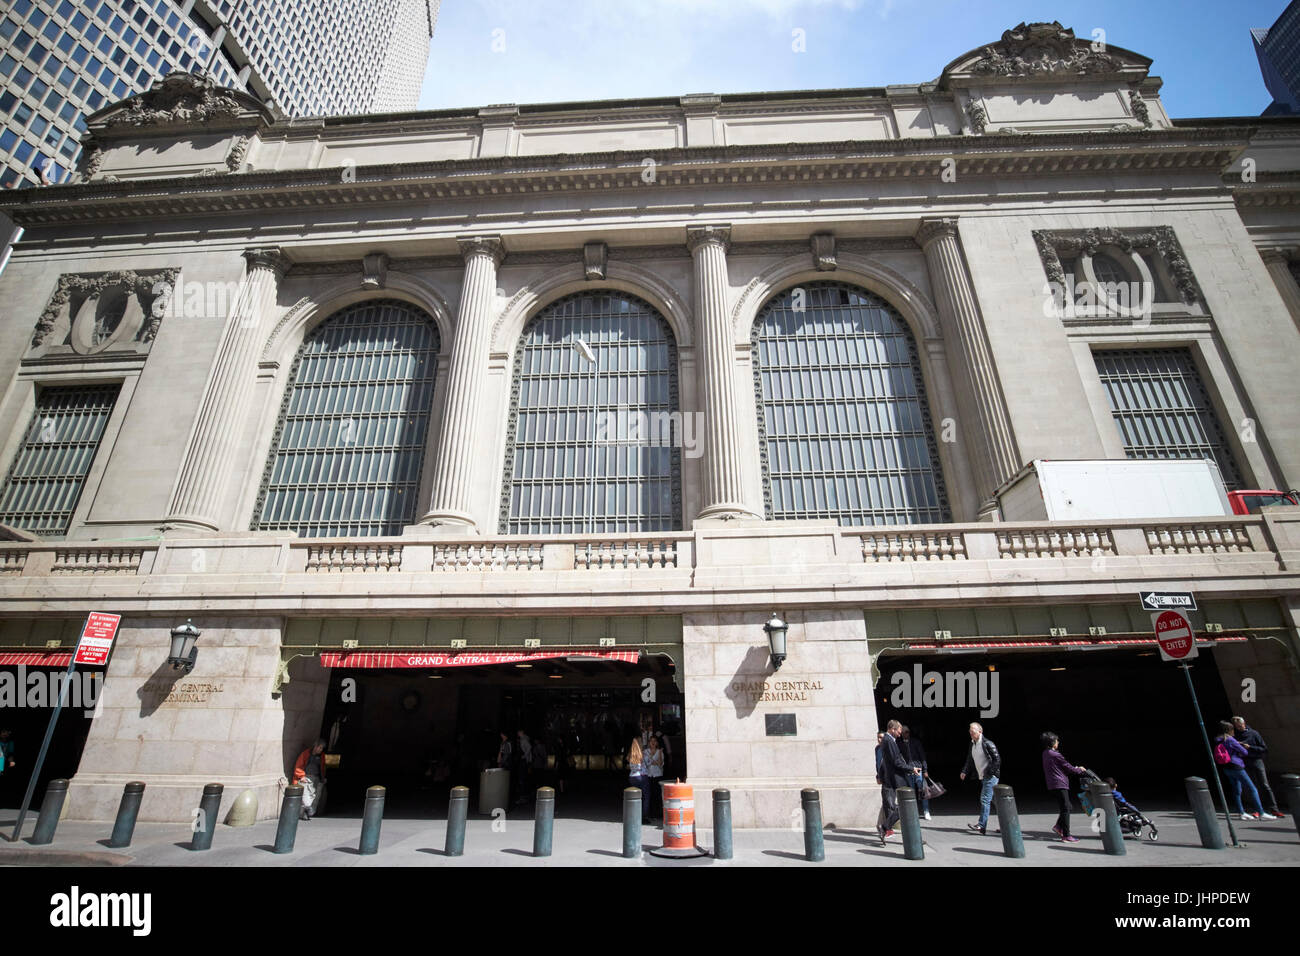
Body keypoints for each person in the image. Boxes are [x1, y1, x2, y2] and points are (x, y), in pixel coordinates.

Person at [1214, 721, 1276, 821]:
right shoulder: (1230, 740)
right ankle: (1261, 812)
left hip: (1226, 767)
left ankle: (1241, 812)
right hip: (1237, 766)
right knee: (1252, 789)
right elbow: (1244, 752)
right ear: (1230, 730)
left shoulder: (1218, 740)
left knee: (1237, 790)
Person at [876, 720, 921, 846]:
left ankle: (888, 828)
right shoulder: (888, 741)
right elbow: (896, 762)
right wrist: (911, 768)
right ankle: (886, 827)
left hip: (893, 778)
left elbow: (886, 761)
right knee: (906, 805)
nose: (900, 734)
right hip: (895, 778)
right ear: (892, 729)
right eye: (899, 731)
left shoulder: (889, 741)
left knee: (905, 806)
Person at [1233, 717, 1284, 818]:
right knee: (1252, 786)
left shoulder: (1254, 733)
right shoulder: (1235, 736)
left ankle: (1274, 809)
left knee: (1265, 785)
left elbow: (1263, 748)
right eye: (1237, 726)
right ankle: (1257, 809)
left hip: (1256, 761)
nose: (1239, 728)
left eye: (1240, 725)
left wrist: (1250, 747)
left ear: (1244, 724)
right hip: (1245, 762)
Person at [1041, 732, 1086, 843]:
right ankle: (1066, 835)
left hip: (1052, 784)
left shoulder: (1045, 753)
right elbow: (1069, 768)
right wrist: (1079, 769)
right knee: (1066, 808)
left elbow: (1061, 767)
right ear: (1053, 743)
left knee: (1067, 806)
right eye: (1057, 740)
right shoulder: (1056, 754)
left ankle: (1058, 826)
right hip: (1059, 784)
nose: (1058, 742)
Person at [959, 722, 1001, 835]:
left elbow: (997, 760)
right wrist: (964, 771)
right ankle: (1006, 824)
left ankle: (981, 826)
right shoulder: (972, 744)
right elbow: (970, 759)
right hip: (982, 776)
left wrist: (989, 772)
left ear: (980, 731)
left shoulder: (988, 743)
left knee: (985, 799)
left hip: (990, 776)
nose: (970, 732)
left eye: (973, 731)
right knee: (997, 802)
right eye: (970, 731)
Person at [899, 725, 932, 821]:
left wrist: (925, 770)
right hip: (908, 770)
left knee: (922, 791)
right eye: (904, 732)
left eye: (907, 732)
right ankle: (914, 812)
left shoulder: (916, 742)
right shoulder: (899, 744)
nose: (906, 734)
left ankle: (926, 811)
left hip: (918, 769)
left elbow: (922, 756)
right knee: (911, 792)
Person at [292, 738, 327, 821]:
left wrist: (322, 778)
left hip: (317, 778)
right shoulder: (306, 754)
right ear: (316, 746)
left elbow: (322, 767)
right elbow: (299, 765)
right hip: (306, 777)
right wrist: (301, 776)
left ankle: (307, 813)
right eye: (320, 747)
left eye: (322, 748)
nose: (321, 750)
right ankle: (307, 809)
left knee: (314, 796)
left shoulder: (321, 756)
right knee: (306, 795)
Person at [627, 734, 650, 824]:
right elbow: (648, 763)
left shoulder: (631, 754)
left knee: (635, 797)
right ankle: (644, 817)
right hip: (642, 776)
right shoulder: (643, 753)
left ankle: (635, 816)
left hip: (632, 777)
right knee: (646, 797)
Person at [644, 735, 665, 821]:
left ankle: (658, 813)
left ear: (657, 743)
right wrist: (654, 761)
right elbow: (646, 764)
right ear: (649, 743)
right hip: (649, 775)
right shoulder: (646, 752)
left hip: (658, 775)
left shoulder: (660, 752)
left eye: (654, 741)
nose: (653, 742)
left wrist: (658, 754)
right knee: (650, 794)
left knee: (658, 795)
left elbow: (660, 764)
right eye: (651, 741)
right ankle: (650, 813)